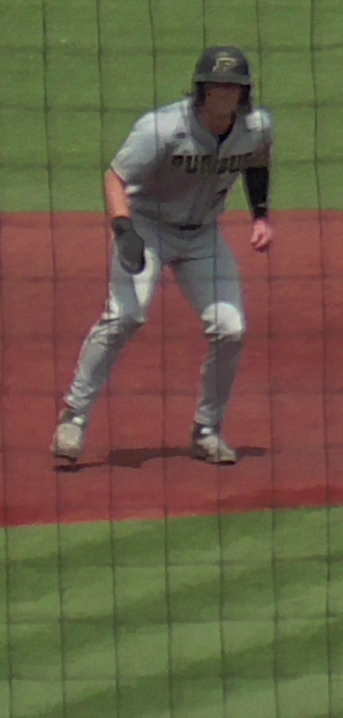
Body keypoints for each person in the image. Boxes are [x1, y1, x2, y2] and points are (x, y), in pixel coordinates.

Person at [52, 45, 274, 466]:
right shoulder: (162, 128)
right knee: (125, 316)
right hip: (147, 228)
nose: (224, 93)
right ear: (201, 89)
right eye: (216, 86)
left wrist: (260, 216)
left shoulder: (257, 126)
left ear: (244, 92)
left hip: (203, 235)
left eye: (232, 87)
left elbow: (257, 163)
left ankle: (206, 430)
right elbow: (115, 177)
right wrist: (123, 228)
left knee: (230, 329)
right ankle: (74, 416)